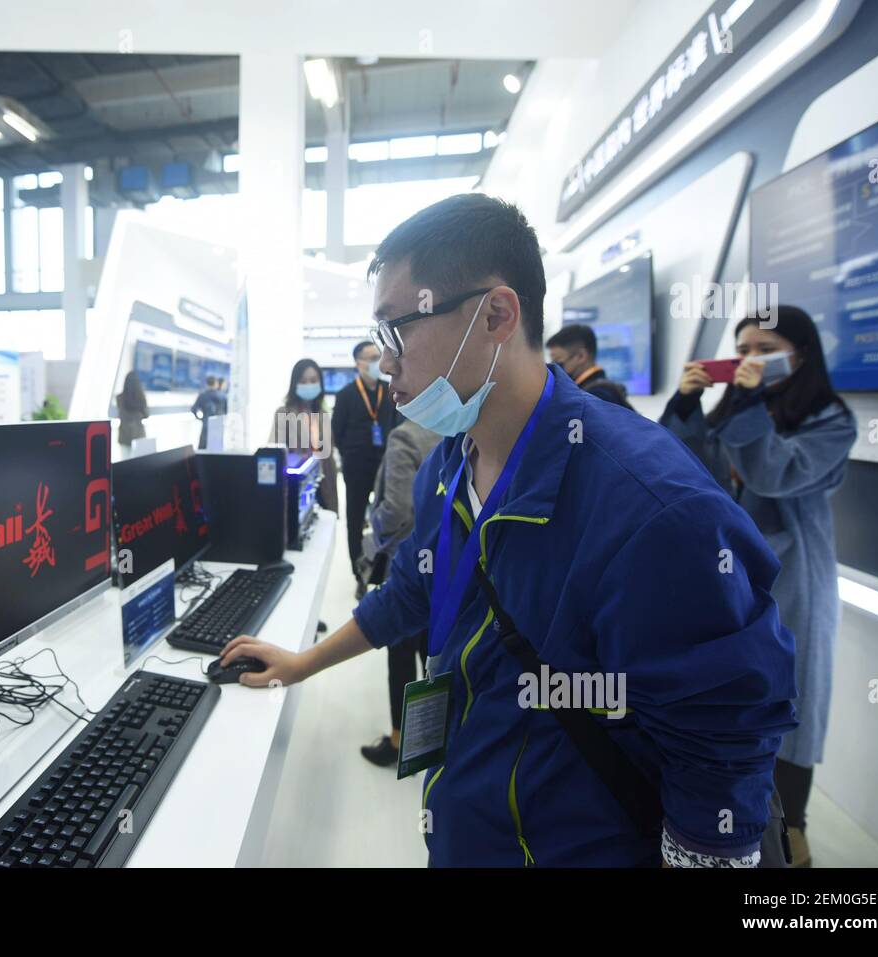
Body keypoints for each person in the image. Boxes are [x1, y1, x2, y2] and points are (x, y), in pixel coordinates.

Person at [219, 193, 796, 867]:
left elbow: (722, 742)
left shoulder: (649, 506)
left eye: (398, 330)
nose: (384, 359)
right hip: (470, 821)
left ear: (495, 314)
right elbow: (411, 591)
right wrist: (302, 663)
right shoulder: (448, 461)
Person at [660, 306, 856, 868]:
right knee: (738, 701)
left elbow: (776, 472)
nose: (749, 359)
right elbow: (685, 472)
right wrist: (684, 406)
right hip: (730, 577)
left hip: (796, 582)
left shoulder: (830, 420)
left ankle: (793, 829)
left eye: (763, 348)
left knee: (794, 709)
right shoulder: (734, 409)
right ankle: (743, 820)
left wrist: (744, 408)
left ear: (800, 354)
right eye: (741, 348)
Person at [358, 414, 440, 767]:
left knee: (401, 649)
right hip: (447, 557)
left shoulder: (405, 437)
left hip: (408, 559)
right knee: (432, 650)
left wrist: (372, 537)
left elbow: (397, 509)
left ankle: (399, 738)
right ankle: (431, 734)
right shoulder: (457, 429)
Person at [331, 340, 396, 598]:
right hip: (357, 467)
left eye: (378, 356)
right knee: (355, 521)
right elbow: (337, 430)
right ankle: (359, 573)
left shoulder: (389, 390)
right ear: (358, 363)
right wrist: (349, 453)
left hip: (386, 465)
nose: (376, 361)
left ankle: (381, 570)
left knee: (387, 519)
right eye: (370, 357)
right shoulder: (346, 394)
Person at [270, 359, 339, 514]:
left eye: (313, 380)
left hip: (324, 484)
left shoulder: (323, 414)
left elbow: (328, 454)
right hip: (297, 485)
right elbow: (274, 450)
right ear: (295, 384)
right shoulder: (284, 413)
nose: (309, 384)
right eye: (303, 381)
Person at [545, 324, 634, 409]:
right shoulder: (596, 390)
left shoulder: (598, 395)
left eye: (558, 360)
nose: (554, 366)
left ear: (581, 356)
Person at [116, 370, 149, 456]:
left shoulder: (120, 398)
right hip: (138, 435)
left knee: (125, 463)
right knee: (139, 463)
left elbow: (121, 415)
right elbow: (146, 414)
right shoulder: (141, 398)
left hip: (124, 435)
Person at [190, 375, 227, 449]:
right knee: (216, 451)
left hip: (206, 425)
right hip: (218, 425)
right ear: (216, 383)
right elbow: (226, 411)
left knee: (203, 451)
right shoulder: (223, 396)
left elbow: (193, 409)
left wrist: (200, 418)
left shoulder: (202, 395)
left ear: (207, 384)